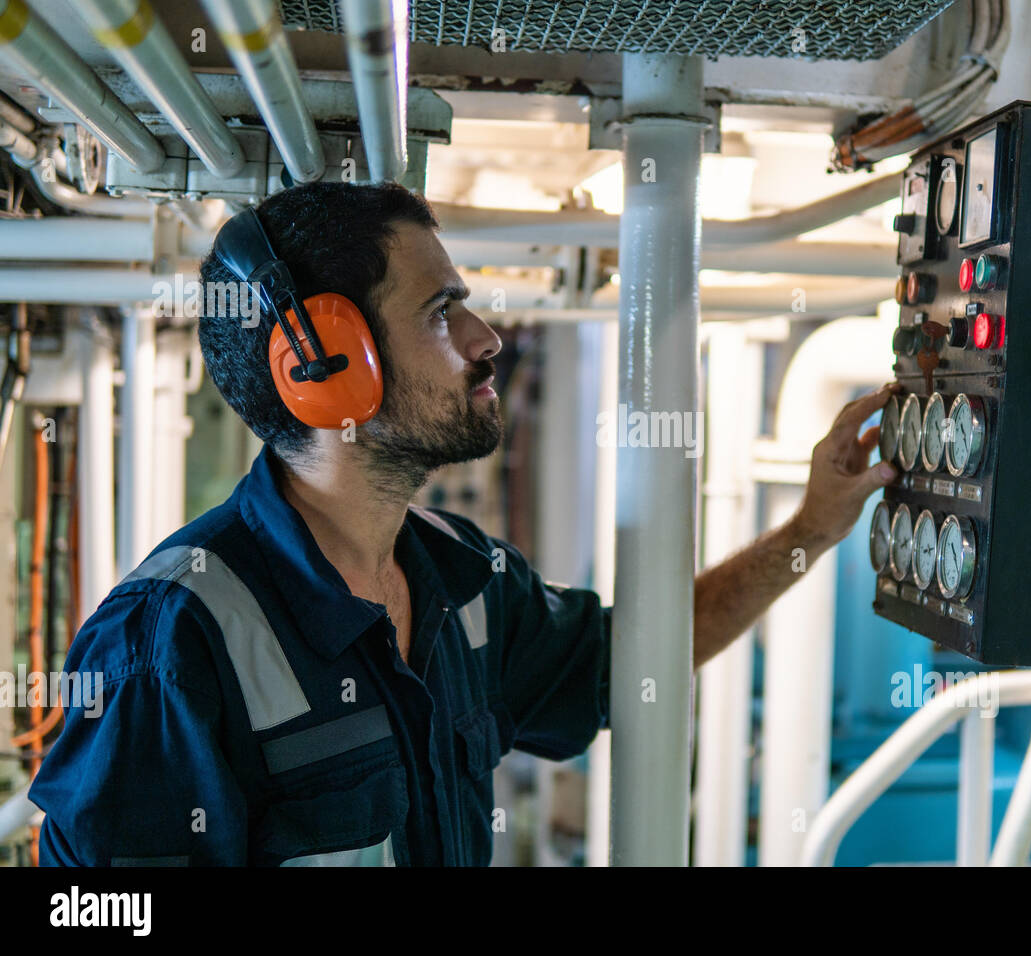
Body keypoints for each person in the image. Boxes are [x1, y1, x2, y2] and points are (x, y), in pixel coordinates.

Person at [29, 181, 900, 866]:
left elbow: (630, 662)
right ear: (327, 366)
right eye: (441, 311)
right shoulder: (170, 643)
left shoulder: (463, 574)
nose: (486, 337)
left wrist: (810, 530)